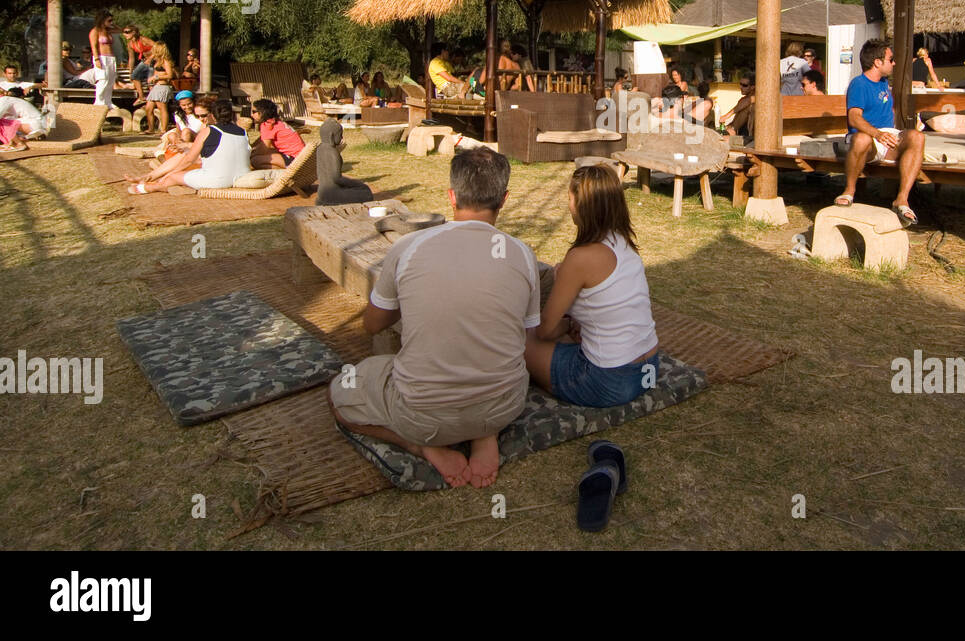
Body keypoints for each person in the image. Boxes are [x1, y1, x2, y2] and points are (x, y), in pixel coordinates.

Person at [327, 147, 540, 489]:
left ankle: (420, 445)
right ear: (504, 198)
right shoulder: (522, 254)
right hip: (503, 407)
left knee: (341, 392)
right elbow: (526, 341)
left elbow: (373, 325)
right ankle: (484, 435)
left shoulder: (408, 247)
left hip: (422, 418)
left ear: (452, 196)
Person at [525, 165, 658, 409]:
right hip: (649, 368)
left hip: (609, 380)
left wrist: (565, 325)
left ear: (580, 204)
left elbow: (544, 330)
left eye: (570, 198)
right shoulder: (624, 241)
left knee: (520, 342)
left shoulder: (580, 258)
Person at [839, 40, 924, 226]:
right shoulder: (859, 84)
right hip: (866, 138)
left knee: (917, 137)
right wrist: (877, 134)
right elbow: (854, 118)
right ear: (877, 62)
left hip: (885, 136)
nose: (893, 63)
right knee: (862, 138)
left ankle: (901, 199)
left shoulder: (883, 82)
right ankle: (849, 190)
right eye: (890, 59)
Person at [129, 99, 251, 193]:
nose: (201, 119)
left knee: (174, 177)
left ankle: (150, 187)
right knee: (185, 157)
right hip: (240, 176)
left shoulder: (209, 131)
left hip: (218, 180)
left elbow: (189, 160)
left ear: (212, 115)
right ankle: (150, 177)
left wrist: (170, 174)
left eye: (203, 115)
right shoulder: (243, 132)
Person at [141, 100, 211, 183]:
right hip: (194, 148)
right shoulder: (179, 115)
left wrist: (186, 145)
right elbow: (178, 131)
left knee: (185, 152)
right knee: (173, 137)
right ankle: (153, 176)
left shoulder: (212, 129)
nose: (201, 119)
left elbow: (205, 146)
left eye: (203, 116)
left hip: (202, 158)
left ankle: (157, 176)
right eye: (198, 116)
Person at [249, 98, 306, 169]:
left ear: (262, 112)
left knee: (254, 161)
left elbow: (265, 147)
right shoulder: (275, 122)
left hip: (295, 159)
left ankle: (283, 172)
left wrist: (250, 155)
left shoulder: (267, 125)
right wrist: (253, 147)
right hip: (303, 157)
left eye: (254, 112)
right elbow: (262, 140)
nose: (251, 115)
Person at [141, 42, 176, 133]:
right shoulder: (157, 61)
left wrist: (156, 77)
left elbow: (170, 75)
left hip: (163, 87)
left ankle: (164, 129)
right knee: (148, 108)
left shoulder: (166, 61)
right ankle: (151, 128)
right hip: (156, 86)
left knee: (162, 108)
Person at [158, 90, 203, 156]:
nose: (187, 107)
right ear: (179, 105)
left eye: (189, 104)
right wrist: (177, 140)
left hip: (197, 138)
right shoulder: (177, 114)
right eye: (184, 105)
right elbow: (178, 130)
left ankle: (184, 154)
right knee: (172, 135)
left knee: (186, 131)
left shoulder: (199, 113)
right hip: (184, 139)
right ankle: (177, 153)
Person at [88, 11, 117, 107]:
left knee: (111, 80)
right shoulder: (95, 31)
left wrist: (113, 25)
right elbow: (94, 47)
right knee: (103, 79)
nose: (111, 22)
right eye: (109, 20)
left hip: (111, 58)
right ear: (102, 20)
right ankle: (99, 101)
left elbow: (122, 30)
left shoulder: (108, 31)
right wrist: (96, 59)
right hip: (101, 57)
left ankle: (108, 101)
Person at [121, 25, 155, 106]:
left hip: (154, 60)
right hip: (145, 61)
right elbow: (131, 58)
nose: (124, 34)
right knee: (134, 76)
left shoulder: (143, 40)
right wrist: (130, 71)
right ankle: (141, 97)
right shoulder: (130, 44)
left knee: (150, 81)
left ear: (134, 32)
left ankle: (153, 100)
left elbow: (159, 48)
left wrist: (151, 58)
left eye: (127, 32)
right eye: (123, 32)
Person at [722, 73, 756, 141]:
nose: (741, 87)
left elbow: (748, 100)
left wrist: (726, 116)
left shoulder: (757, 96)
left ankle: (732, 130)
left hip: (751, 135)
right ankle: (731, 130)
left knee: (747, 106)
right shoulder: (743, 100)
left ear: (752, 87)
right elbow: (745, 101)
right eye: (740, 84)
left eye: (744, 85)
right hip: (740, 130)